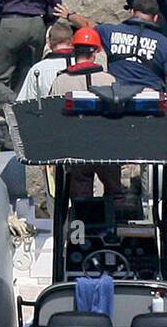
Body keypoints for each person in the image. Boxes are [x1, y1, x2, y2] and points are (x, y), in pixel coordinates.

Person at [57, 0, 167, 97]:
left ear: (131, 12)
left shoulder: (110, 32)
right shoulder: (165, 44)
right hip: (149, 98)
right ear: (155, 18)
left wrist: (69, 15)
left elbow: (87, 25)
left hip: (118, 96)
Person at [50, 28, 122, 199]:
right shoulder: (108, 79)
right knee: (115, 193)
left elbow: (53, 116)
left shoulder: (61, 80)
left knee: (80, 194)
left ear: (74, 50)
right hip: (106, 145)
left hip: (75, 146)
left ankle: (81, 223)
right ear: (95, 52)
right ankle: (115, 220)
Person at [16, 21, 75, 100]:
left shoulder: (38, 69)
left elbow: (24, 103)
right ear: (72, 41)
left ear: (49, 42)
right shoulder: (86, 65)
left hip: (49, 111)